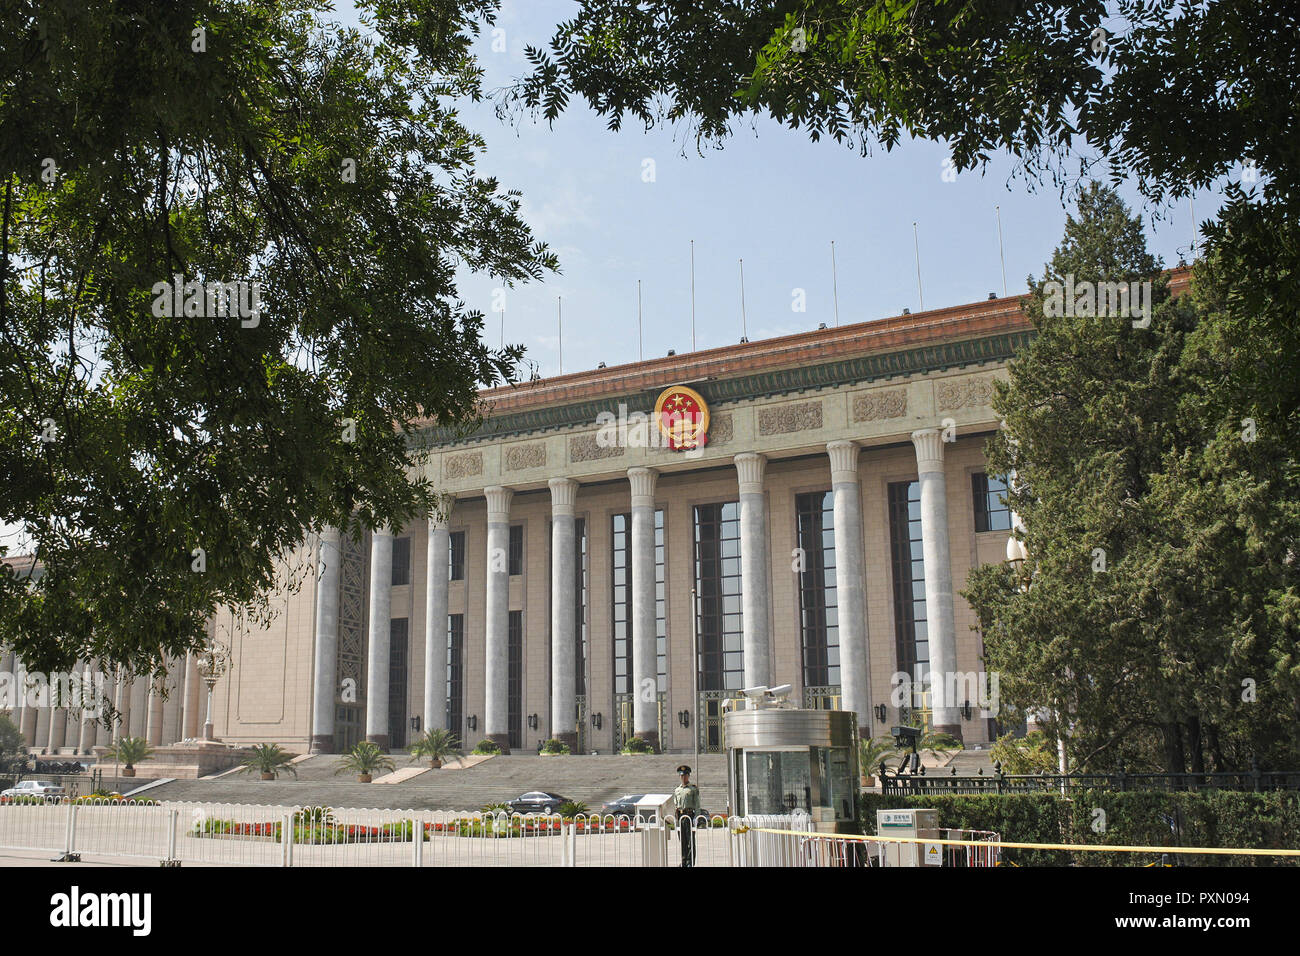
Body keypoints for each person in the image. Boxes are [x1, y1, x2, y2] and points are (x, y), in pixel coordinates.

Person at [673, 764, 701, 867]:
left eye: (685, 775)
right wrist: (675, 819)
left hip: (689, 815)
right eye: (681, 776)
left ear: (688, 776)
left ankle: (690, 862)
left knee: (690, 841)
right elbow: (676, 805)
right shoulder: (677, 790)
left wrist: (696, 818)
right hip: (680, 816)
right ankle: (684, 861)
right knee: (683, 841)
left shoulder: (693, 789)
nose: (683, 777)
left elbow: (697, 805)